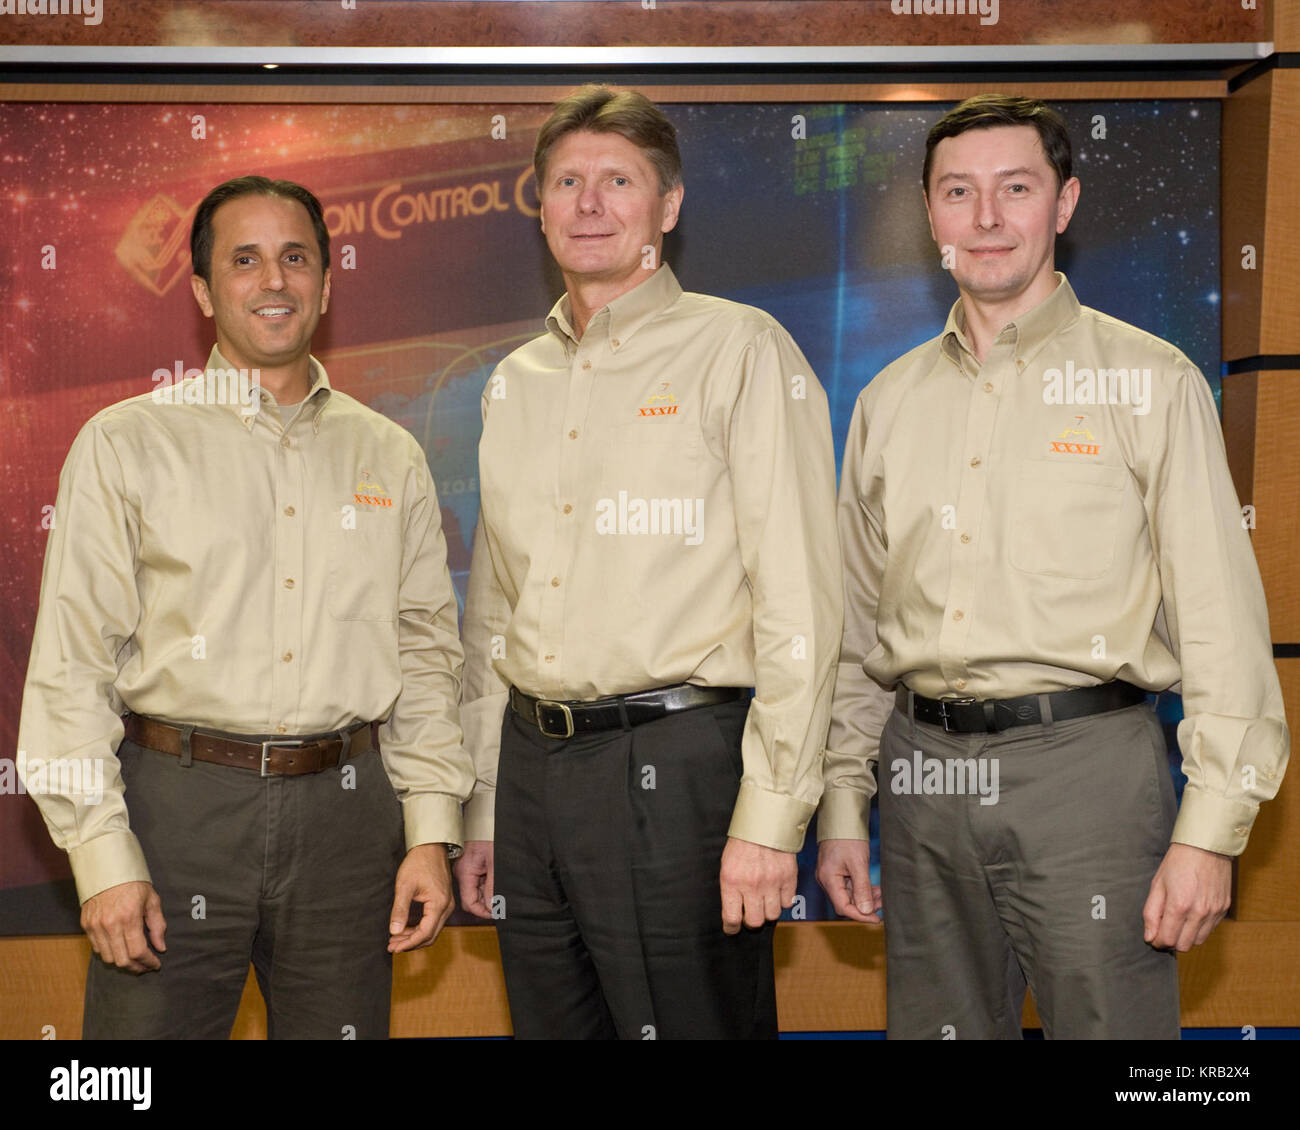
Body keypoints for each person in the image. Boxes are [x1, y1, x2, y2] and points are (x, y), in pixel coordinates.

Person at [816, 94, 1289, 1039]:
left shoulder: (1151, 383)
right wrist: (840, 800)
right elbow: (856, 632)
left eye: (1016, 188)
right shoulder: (887, 402)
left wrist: (1208, 834)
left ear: (1063, 204)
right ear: (930, 212)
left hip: (1089, 779)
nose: (987, 217)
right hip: (921, 777)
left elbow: (1221, 624)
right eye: (959, 191)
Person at [17, 175, 474, 1039]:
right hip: (172, 813)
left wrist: (430, 830)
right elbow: (71, 672)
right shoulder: (127, 445)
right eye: (245, 260)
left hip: (348, 821)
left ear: (328, 282)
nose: (275, 281)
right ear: (201, 291)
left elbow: (425, 656)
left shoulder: (392, 456)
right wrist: (104, 859)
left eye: (295, 257)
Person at [453, 85, 841, 1039]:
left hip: (679, 766)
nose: (589, 203)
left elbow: (802, 600)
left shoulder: (740, 348)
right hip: (532, 772)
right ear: (538, 207)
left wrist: (769, 819)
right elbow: (493, 612)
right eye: (567, 182)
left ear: (666, 207)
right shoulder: (513, 382)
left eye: (617, 181)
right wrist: (484, 808)